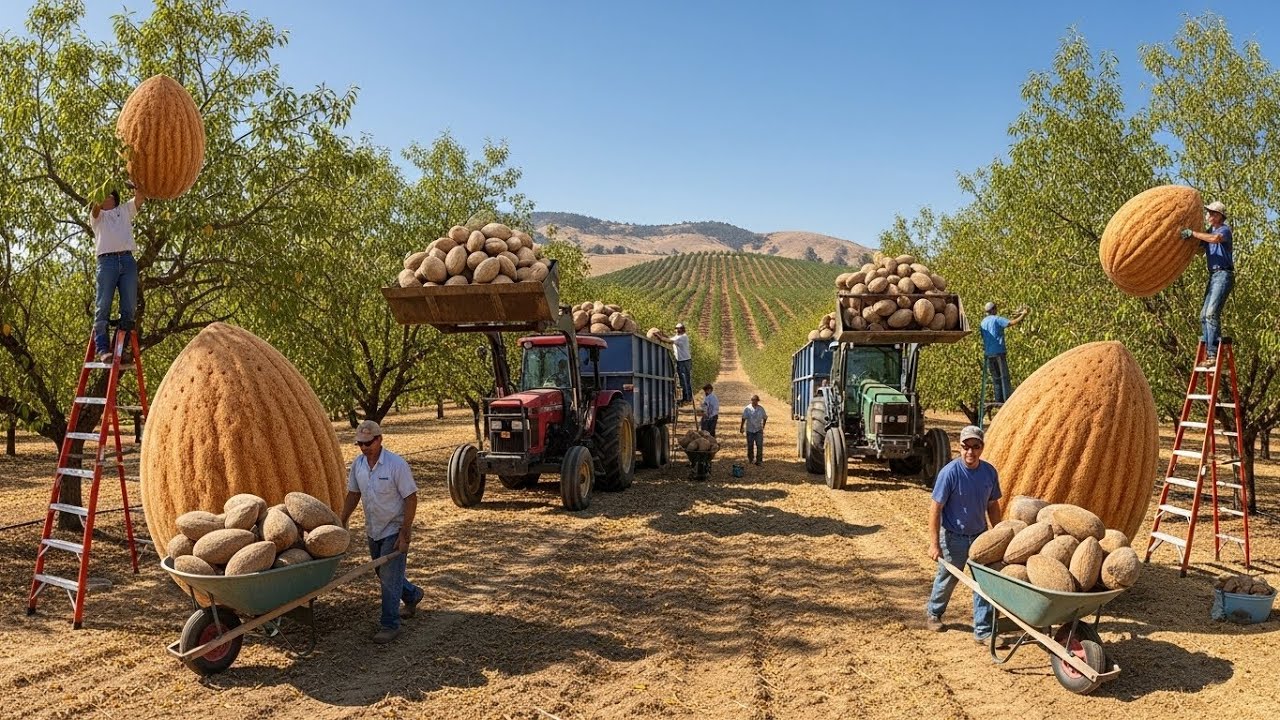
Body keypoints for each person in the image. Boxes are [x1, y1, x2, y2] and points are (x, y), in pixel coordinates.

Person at [340, 420, 424, 644]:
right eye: (360, 444)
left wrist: (405, 532)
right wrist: (341, 520)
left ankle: (390, 624)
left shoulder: (396, 465)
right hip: (373, 529)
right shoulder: (358, 465)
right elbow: (353, 495)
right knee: (383, 573)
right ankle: (412, 594)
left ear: (379, 440)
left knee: (388, 577)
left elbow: (411, 498)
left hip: (393, 528)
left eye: (368, 443)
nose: (364, 448)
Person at [925, 425, 1002, 645]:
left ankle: (983, 630)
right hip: (954, 538)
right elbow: (935, 509)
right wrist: (934, 544)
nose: (970, 451)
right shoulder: (949, 473)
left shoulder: (989, 472)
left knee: (984, 583)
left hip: (981, 538)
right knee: (947, 579)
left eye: (975, 447)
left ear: (982, 448)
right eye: (966, 447)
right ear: (959, 447)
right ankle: (934, 613)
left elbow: (992, 505)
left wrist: (998, 535)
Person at [88, 187, 144, 363]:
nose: (106, 200)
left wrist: (137, 182)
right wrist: (101, 188)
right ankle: (103, 348)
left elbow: (140, 198)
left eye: (110, 197)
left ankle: (121, 349)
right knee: (103, 305)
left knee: (129, 307)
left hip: (127, 260)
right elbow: (96, 207)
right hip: (107, 262)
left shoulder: (124, 210)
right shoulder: (97, 216)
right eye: (103, 198)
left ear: (115, 200)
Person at [1181, 200, 1235, 365]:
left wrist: (1193, 233)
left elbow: (1214, 239)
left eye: (1212, 213)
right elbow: (1199, 249)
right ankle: (1211, 351)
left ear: (1219, 216)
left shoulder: (1223, 230)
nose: (1208, 215)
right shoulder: (1209, 232)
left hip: (1223, 274)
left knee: (1211, 314)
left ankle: (1212, 355)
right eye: (1208, 213)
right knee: (1204, 316)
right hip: (1213, 276)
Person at [978, 302, 1029, 404]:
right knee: (1004, 376)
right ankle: (1007, 400)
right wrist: (1023, 315)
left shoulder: (982, 322)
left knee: (995, 378)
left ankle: (998, 399)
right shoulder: (996, 319)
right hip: (999, 352)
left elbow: (983, 336)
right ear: (993, 310)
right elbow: (1010, 323)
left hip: (988, 354)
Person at [656, 323, 693, 403]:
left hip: (684, 361)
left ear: (682, 329)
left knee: (684, 380)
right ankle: (687, 397)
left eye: (678, 328)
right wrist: (662, 335)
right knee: (683, 379)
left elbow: (669, 341)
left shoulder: (683, 337)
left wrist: (658, 336)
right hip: (681, 361)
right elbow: (669, 338)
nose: (676, 329)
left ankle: (687, 397)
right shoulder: (677, 337)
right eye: (675, 328)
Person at [739, 394, 768, 465]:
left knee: (759, 445)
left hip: (758, 430)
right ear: (751, 401)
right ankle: (751, 459)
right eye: (753, 400)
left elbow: (765, 417)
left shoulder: (761, 409)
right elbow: (744, 418)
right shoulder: (747, 409)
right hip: (750, 430)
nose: (754, 402)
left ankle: (759, 461)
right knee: (750, 445)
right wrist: (741, 427)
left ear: (758, 401)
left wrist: (763, 425)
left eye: (756, 400)